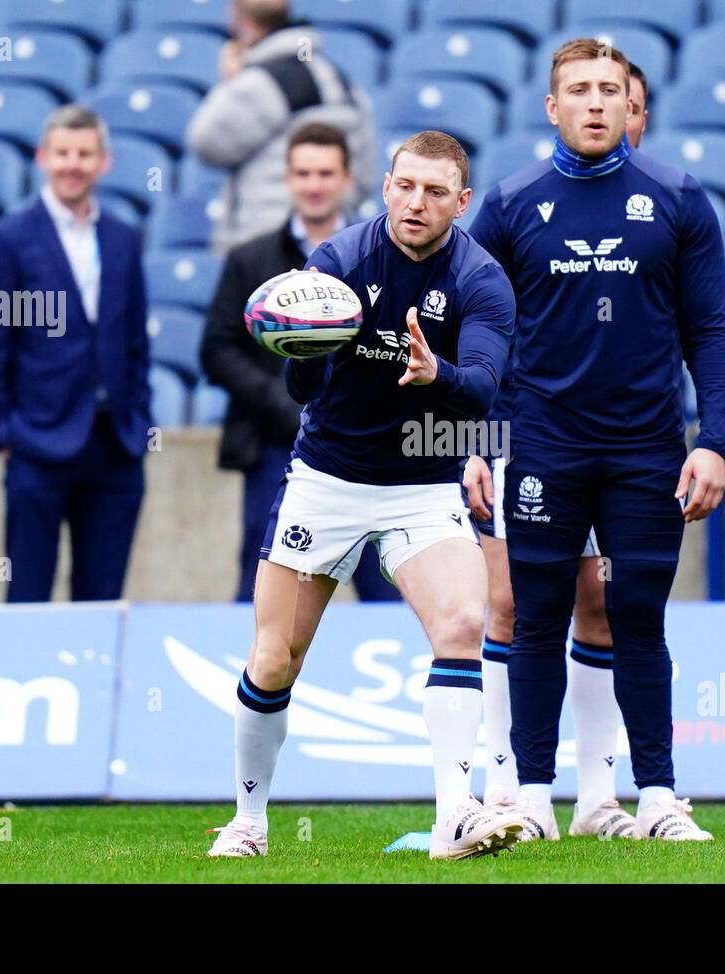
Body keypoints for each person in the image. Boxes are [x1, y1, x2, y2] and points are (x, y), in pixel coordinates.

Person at [464, 57, 725, 842]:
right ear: (552, 106)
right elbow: (480, 334)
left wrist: (723, 445)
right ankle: (531, 799)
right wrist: (474, 441)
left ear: (630, 106)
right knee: (536, 615)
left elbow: (713, 331)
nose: (595, 105)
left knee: (636, 614)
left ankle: (658, 796)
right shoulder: (508, 205)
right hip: (542, 446)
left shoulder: (678, 199)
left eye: (609, 92)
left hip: (646, 451)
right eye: (579, 92)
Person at [206, 131, 522, 861]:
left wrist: (433, 371)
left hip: (421, 480)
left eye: (436, 191)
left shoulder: (481, 279)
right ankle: (248, 822)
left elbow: (482, 389)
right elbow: (301, 390)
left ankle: (456, 820)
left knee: (463, 620)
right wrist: (308, 348)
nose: (417, 203)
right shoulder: (339, 264)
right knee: (275, 655)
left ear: (462, 201)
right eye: (406, 186)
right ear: (386, 187)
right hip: (328, 479)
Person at [199, 122, 400, 603]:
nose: (314, 184)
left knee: (387, 590)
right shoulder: (251, 258)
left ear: (347, 178)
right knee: (265, 585)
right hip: (276, 449)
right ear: (288, 179)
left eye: (325, 173)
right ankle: (254, 677)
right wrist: (284, 402)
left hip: (370, 451)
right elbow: (217, 350)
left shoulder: (384, 256)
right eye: (303, 173)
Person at [0, 106, 150, 603]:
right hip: (37, 443)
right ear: (43, 158)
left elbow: (135, 342)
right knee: (27, 596)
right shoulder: (8, 238)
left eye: (84, 154)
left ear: (103, 162)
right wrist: (0, 431)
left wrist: (139, 414)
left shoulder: (122, 238)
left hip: (115, 445)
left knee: (102, 601)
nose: (73, 164)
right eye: (63, 153)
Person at [186, 0, 376, 253]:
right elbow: (363, 175)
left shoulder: (257, 82)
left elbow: (206, 143)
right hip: (333, 247)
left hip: (261, 249)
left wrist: (230, 83)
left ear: (239, 21)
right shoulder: (341, 81)